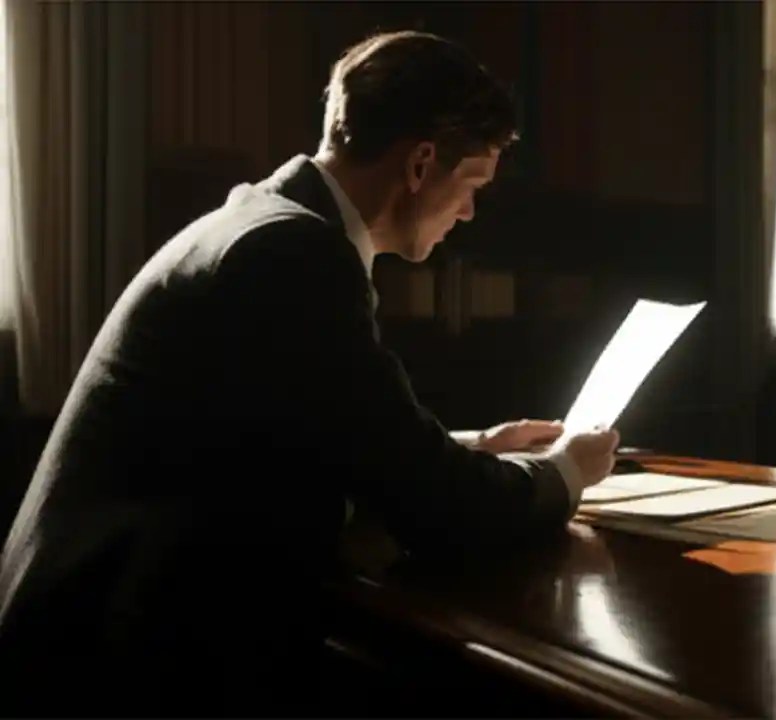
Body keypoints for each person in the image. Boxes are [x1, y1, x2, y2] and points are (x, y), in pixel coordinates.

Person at [0, 30, 619, 713]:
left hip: (96, 622)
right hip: (114, 657)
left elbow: (319, 439)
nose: (469, 212)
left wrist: (468, 448)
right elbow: (444, 512)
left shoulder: (262, 222)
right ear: (421, 165)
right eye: (471, 184)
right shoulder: (295, 254)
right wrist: (566, 471)